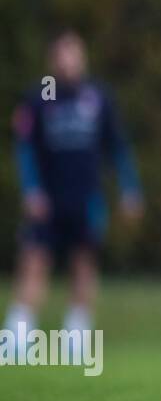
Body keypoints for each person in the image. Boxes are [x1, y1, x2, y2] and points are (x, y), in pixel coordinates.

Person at [3, 30, 143, 355]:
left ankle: (76, 339)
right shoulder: (38, 99)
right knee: (34, 262)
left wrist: (130, 189)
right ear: (53, 61)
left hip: (86, 199)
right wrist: (32, 190)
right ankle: (16, 339)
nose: (70, 61)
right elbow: (24, 150)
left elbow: (118, 148)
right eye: (63, 55)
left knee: (84, 264)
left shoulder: (99, 98)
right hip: (48, 201)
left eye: (75, 54)